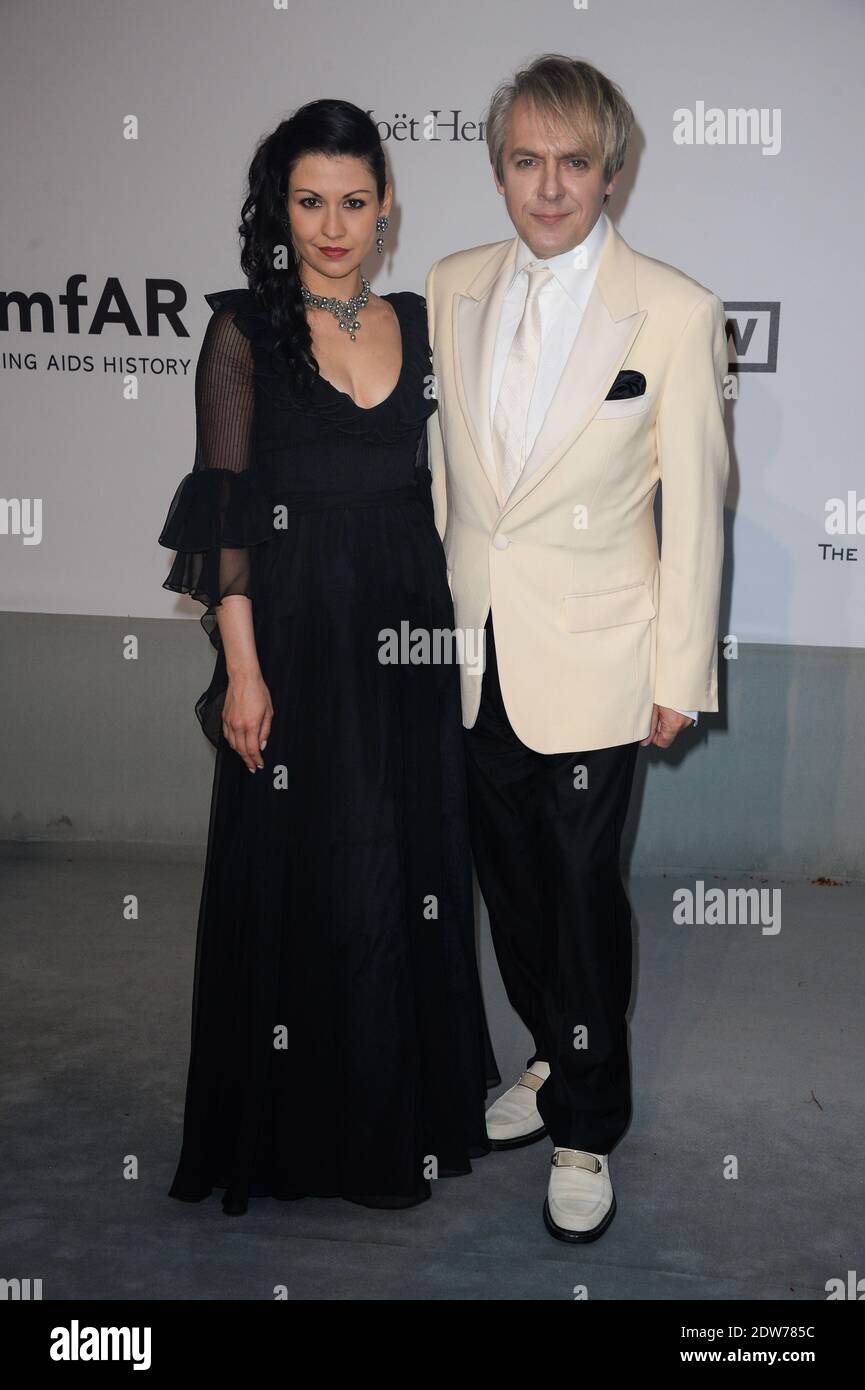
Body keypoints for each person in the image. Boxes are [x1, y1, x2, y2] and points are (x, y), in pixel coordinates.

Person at [159, 98, 499, 1216]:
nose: (333, 224)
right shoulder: (242, 332)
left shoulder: (419, 316)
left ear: (386, 204)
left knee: (405, 870)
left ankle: (398, 1114)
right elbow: (224, 517)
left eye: (354, 201)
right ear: (280, 205)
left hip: (406, 626)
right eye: (311, 201)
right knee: (306, 874)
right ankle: (303, 1133)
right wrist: (242, 670)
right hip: (295, 639)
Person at [425, 54, 729, 1242]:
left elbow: (697, 504)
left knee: (578, 891)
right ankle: (554, 1055)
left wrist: (678, 673)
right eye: (524, 160)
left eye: (574, 163)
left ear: (612, 171)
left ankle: (587, 1121)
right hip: (471, 651)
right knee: (508, 887)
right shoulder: (450, 285)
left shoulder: (675, 307)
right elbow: (454, 479)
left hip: (603, 660)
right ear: (499, 168)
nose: (548, 187)